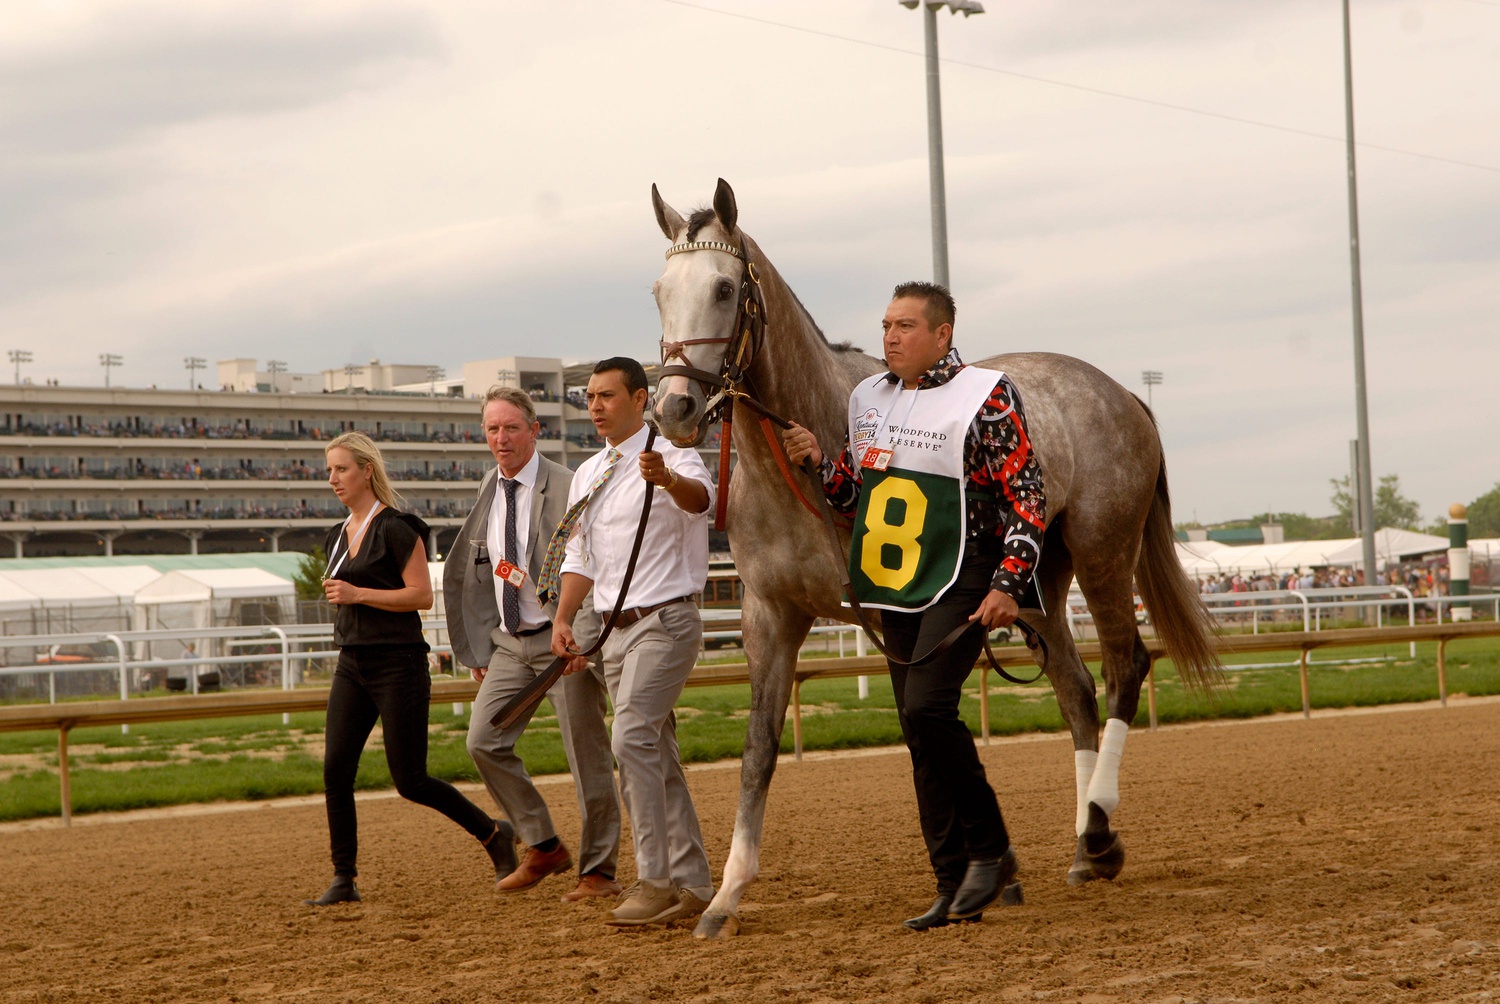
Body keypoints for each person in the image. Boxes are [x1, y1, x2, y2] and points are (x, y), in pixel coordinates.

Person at [783, 280, 1046, 931]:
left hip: (966, 571)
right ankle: (953, 879)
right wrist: (823, 462)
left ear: (942, 335)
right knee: (915, 727)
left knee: (928, 707)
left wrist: (1009, 585)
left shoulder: (988, 395)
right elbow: (857, 495)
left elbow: (1028, 497)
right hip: (893, 580)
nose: (890, 337)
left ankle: (990, 850)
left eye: (905, 326)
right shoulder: (868, 398)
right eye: (886, 325)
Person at [304, 431, 513, 906]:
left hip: (398, 665)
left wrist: (358, 595)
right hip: (351, 664)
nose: (332, 478)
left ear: (367, 472)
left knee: (410, 780)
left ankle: (493, 833)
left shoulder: (398, 527)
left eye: (341, 469)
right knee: (336, 771)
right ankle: (344, 878)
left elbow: (421, 596)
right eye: (330, 469)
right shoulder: (337, 536)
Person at [548, 357, 716, 928]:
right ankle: (693, 882)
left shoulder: (674, 455)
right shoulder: (588, 472)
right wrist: (564, 618)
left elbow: (702, 502)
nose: (595, 406)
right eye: (590, 397)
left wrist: (666, 479)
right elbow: (581, 556)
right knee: (654, 754)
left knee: (632, 739)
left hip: (665, 623)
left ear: (642, 399)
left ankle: (654, 879)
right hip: (612, 633)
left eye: (607, 396)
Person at [444, 387, 622, 902]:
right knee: (483, 741)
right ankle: (543, 844)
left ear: (534, 430)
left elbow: (593, 567)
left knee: (586, 758)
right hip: (510, 645)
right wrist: (481, 647)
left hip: (564, 643)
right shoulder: (489, 487)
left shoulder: (568, 486)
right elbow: (481, 571)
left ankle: (599, 872)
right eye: (492, 429)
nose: (501, 439)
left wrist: (582, 640)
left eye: (511, 428)